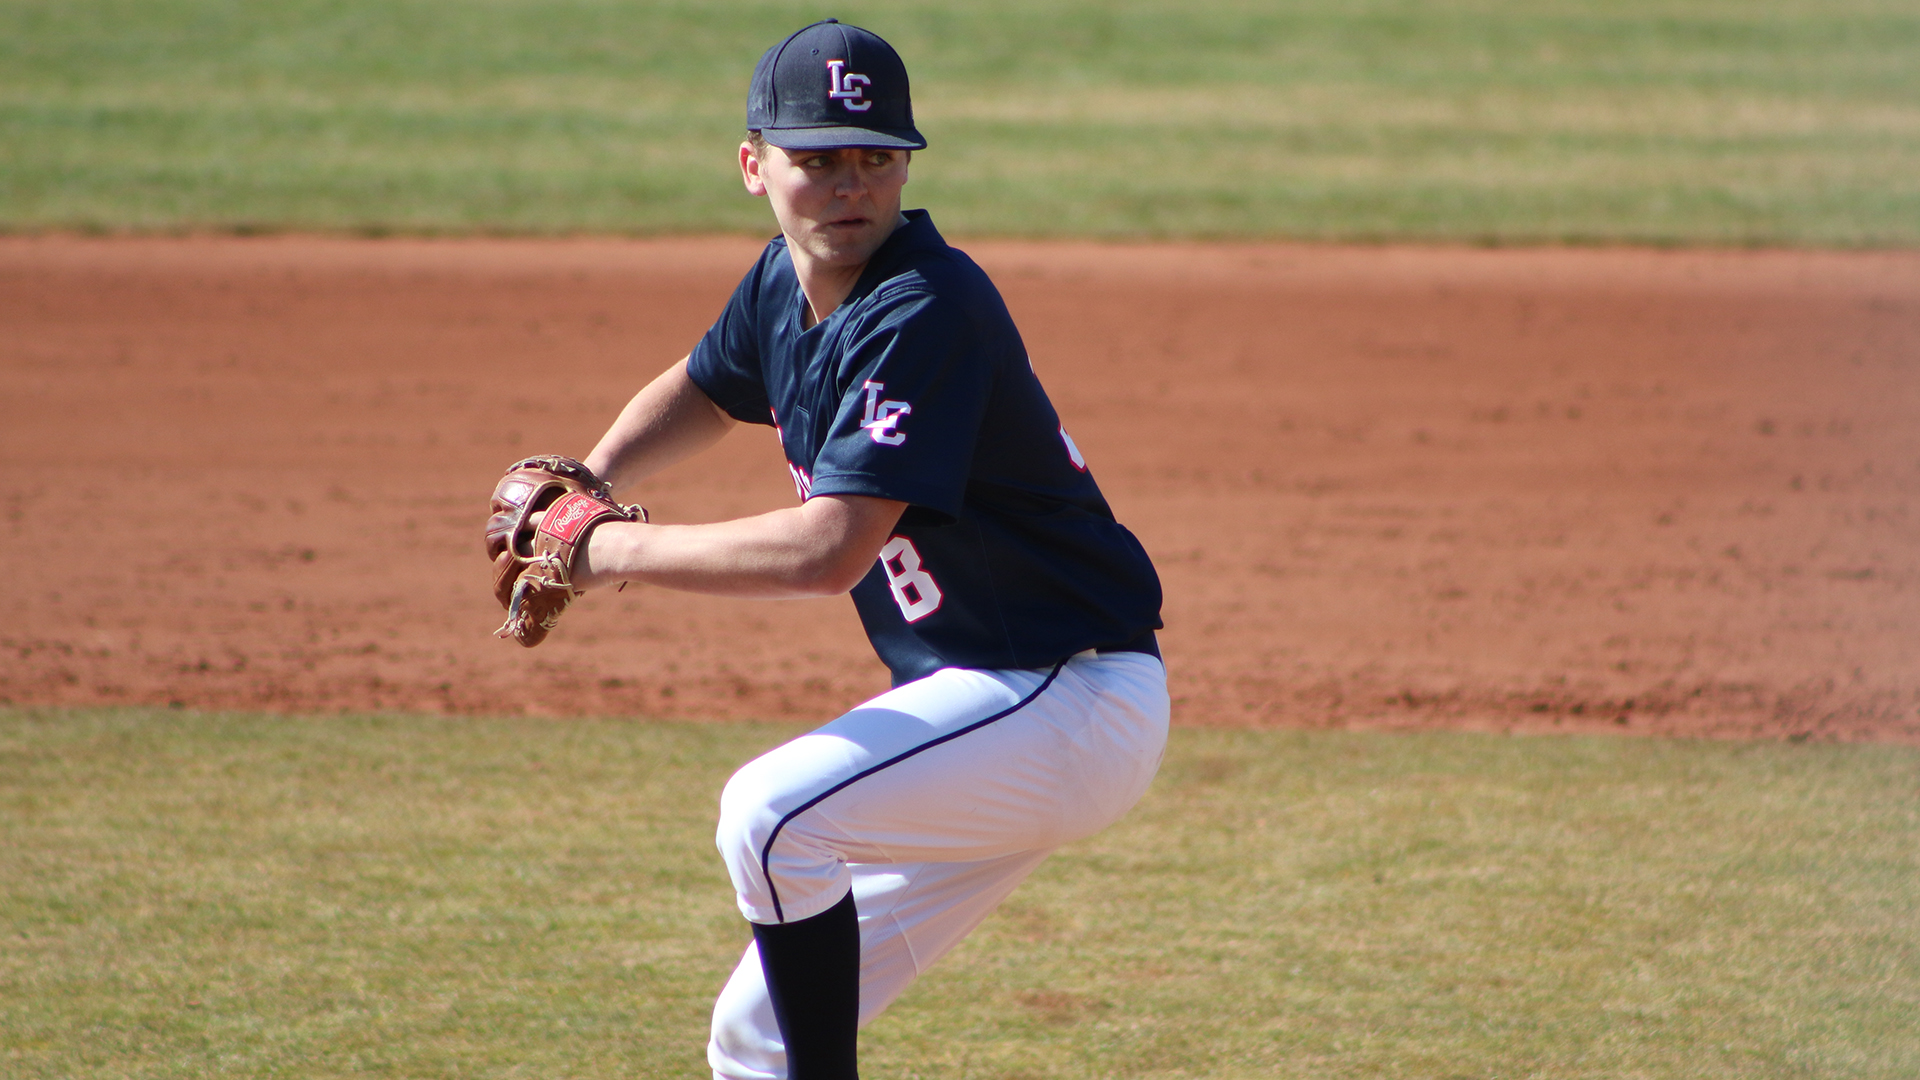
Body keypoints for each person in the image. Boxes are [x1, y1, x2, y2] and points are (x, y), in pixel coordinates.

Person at [567, 20, 1168, 1080]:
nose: (851, 184)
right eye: (818, 159)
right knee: (757, 1037)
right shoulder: (780, 286)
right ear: (754, 167)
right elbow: (707, 388)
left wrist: (602, 551)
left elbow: (827, 551)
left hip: (1064, 695)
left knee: (768, 818)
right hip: (980, 708)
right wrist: (591, 479)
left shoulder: (923, 308)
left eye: (876, 157)